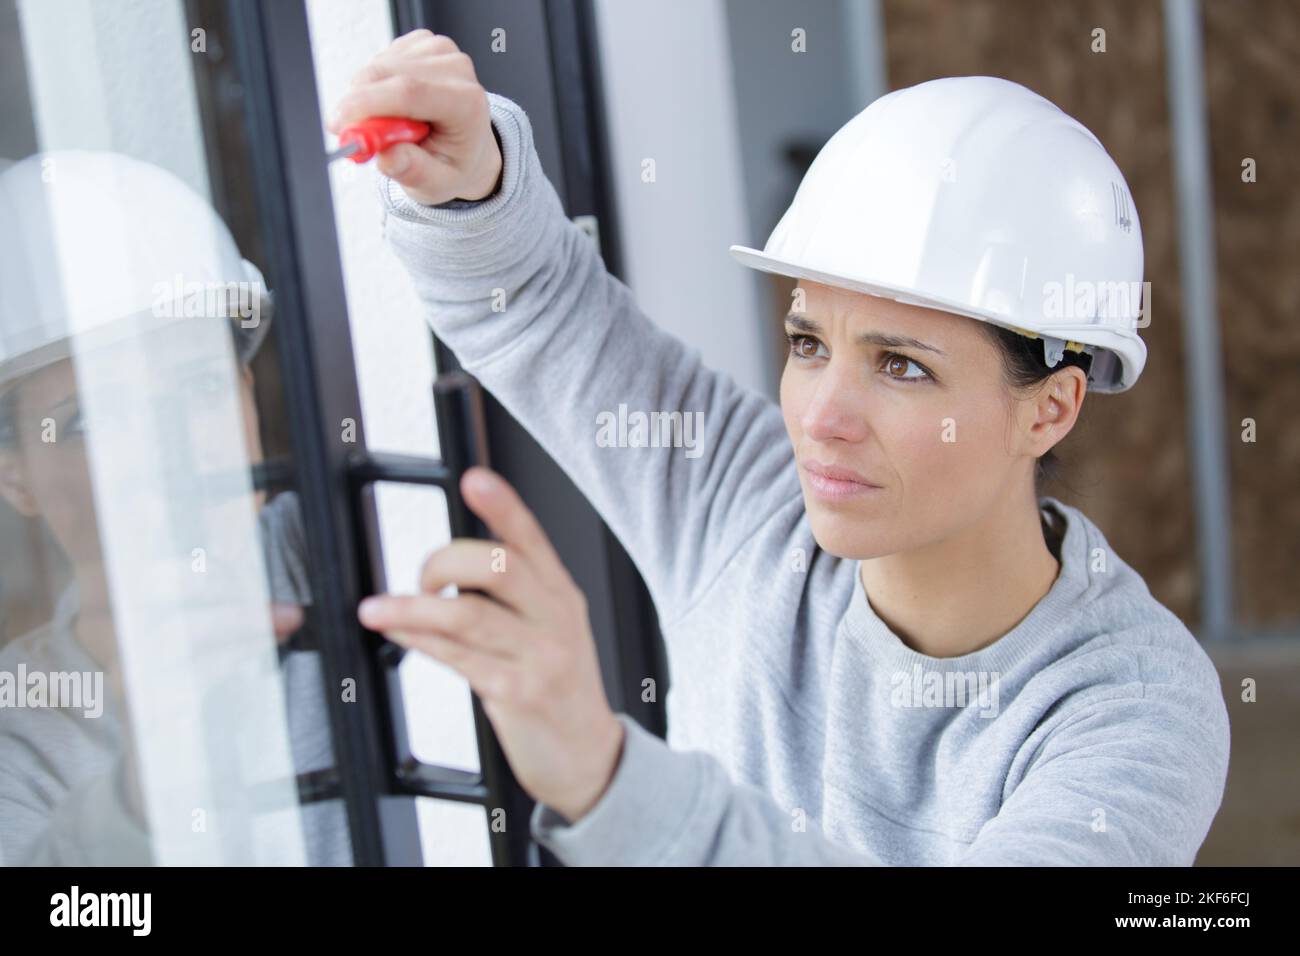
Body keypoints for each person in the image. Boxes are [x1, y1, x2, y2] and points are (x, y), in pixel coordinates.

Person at [338, 30, 1231, 866]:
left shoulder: (1137, 710)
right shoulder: (745, 512)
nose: (821, 417)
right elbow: (535, 302)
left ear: (1050, 410)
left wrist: (607, 779)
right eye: (809, 344)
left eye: (901, 366)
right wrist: (467, 179)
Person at [0, 150, 347, 865]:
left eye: (197, 387)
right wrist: (145, 799)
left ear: (248, 394)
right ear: (16, 478)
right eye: (91, 419)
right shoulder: (20, 735)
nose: (169, 449)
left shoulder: (361, 555)